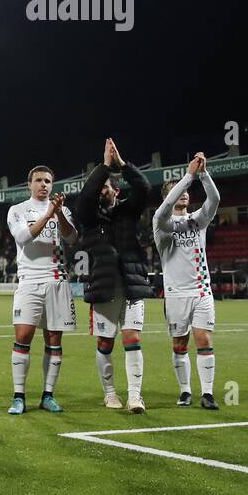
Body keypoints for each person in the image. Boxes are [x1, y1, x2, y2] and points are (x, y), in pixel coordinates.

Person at [74, 138, 152, 413]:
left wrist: (122, 165)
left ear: (116, 191)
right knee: (105, 343)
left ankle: (134, 396)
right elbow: (85, 195)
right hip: (104, 288)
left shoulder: (128, 212)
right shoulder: (89, 217)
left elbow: (144, 188)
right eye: (99, 186)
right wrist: (104, 168)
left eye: (106, 187)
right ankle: (109, 394)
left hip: (132, 286)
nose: (100, 191)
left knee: (132, 339)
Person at [5, 165, 77, 415]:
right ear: (29, 184)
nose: (43, 184)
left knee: (54, 340)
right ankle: (18, 396)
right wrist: (48, 215)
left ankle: (48, 395)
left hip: (57, 280)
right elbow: (23, 238)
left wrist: (59, 215)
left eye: (48, 180)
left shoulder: (62, 210)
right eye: (38, 180)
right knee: (23, 337)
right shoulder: (17, 210)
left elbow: (71, 238)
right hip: (29, 281)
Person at [153, 154, 220, 408]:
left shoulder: (198, 221)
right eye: (175, 191)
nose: (183, 194)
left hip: (202, 291)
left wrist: (203, 175)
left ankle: (207, 393)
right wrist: (187, 177)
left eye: (185, 191)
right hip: (176, 294)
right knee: (180, 343)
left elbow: (214, 200)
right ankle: (184, 391)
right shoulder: (161, 224)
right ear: (167, 196)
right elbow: (163, 209)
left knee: (204, 339)